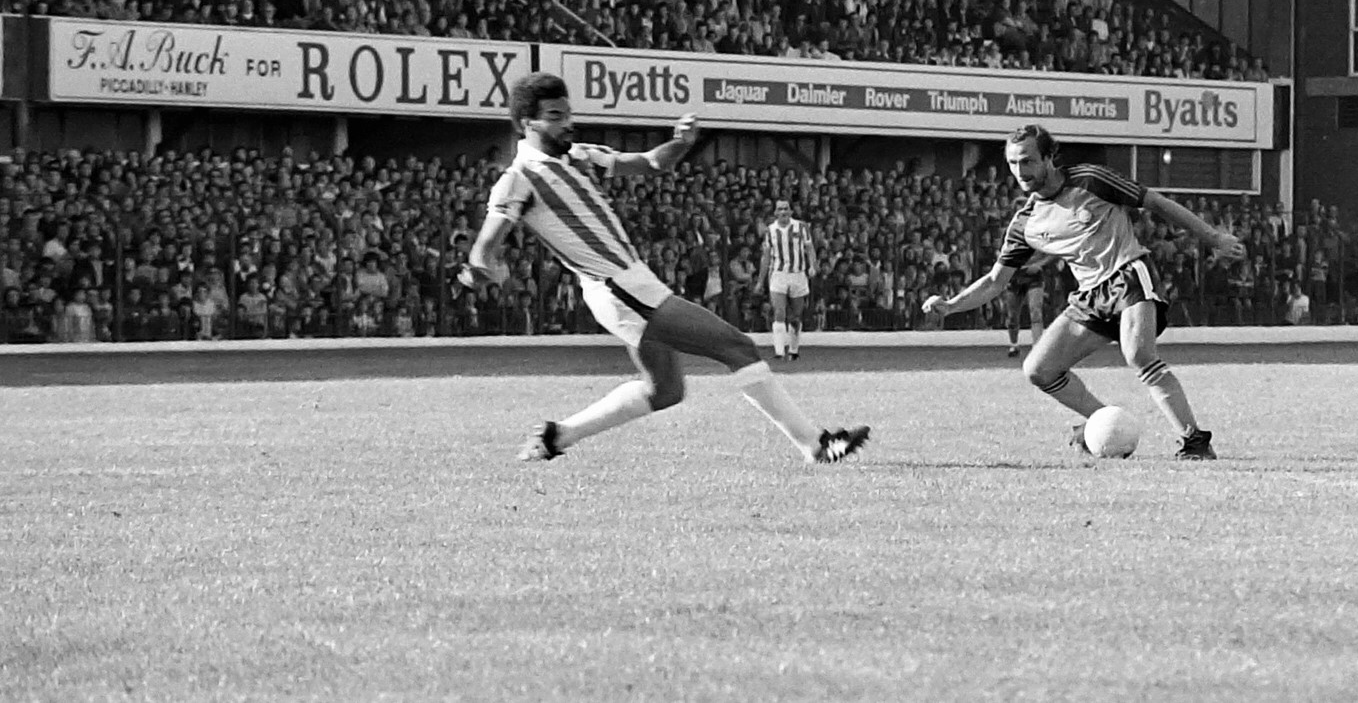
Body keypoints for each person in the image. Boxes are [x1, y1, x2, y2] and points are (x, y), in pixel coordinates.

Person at [461, 73, 869, 465]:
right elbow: (484, 248)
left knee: (666, 391)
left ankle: (556, 436)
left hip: (629, 282)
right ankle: (815, 444)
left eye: (568, 113)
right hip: (618, 287)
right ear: (526, 122)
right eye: (555, 116)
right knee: (738, 346)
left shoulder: (579, 155)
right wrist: (485, 269)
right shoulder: (519, 179)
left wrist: (680, 142)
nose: (567, 123)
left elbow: (649, 163)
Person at [922, 124, 1245, 460]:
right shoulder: (1025, 222)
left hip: (1128, 274)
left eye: (1028, 161)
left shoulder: (1090, 179)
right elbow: (995, 281)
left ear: (1049, 158)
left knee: (1138, 354)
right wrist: (951, 305)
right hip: (1089, 295)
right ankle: (1102, 425)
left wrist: (1214, 238)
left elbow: (1156, 202)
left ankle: (1194, 441)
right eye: (1014, 163)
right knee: (1039, 369)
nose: (1021, 171)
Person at [756, 198, 817, 360]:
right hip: (778, 274)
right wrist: (760, 281)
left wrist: (812, 266)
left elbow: (810, 249)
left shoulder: (802, 227)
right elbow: (766, 257)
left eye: (786, 209)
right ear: (775, 213)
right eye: (780, 209)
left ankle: (794, 349)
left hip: (798, 274)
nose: (783, 212)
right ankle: (778, 351)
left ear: (790, 211)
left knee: (796, 316)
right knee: (779, 311)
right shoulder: (770, 231)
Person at [1003, 248, 1058, 359]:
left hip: (1035, 278)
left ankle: (1037, 347)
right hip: (1015, 278)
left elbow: (1053, 252)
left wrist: (1039, 264)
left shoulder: (1039, 234)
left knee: (1035, 312)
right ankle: (1014, 344)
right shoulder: (1013, 235)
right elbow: (1004, 255)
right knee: (1012, 316)